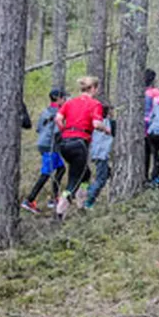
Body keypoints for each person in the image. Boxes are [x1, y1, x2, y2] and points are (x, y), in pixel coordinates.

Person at [54, 77, 108, 220]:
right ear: (93, 89)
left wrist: (64, 130)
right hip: (79, 143)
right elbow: (96, 124)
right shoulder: (95, 104)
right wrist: (106, 129)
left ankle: (80, 203)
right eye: (97, 89)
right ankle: (61, 208)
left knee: (85, 174)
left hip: (65, 144)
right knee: (75, 179)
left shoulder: (69, 102)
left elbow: (58, 118)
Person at [22, 89, 68, 214]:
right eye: (63, 98)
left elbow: (38, 128)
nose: (65, 100)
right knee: (46, 173)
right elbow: (59, 131)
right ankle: (29, 200)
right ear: (58, 99)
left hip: (43, 143)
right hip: (50, 145)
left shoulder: (45, 111)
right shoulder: (59, 112)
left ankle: (54, 198)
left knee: (61, 169)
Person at [84, 105, 116, 208]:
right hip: (102, 154)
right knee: (101, 179)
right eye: (111, 111)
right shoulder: (109, 123)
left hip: (95, 152)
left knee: (107, 173)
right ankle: (89, 199)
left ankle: (90, 190)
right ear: (107, 113)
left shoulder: (95, 123)